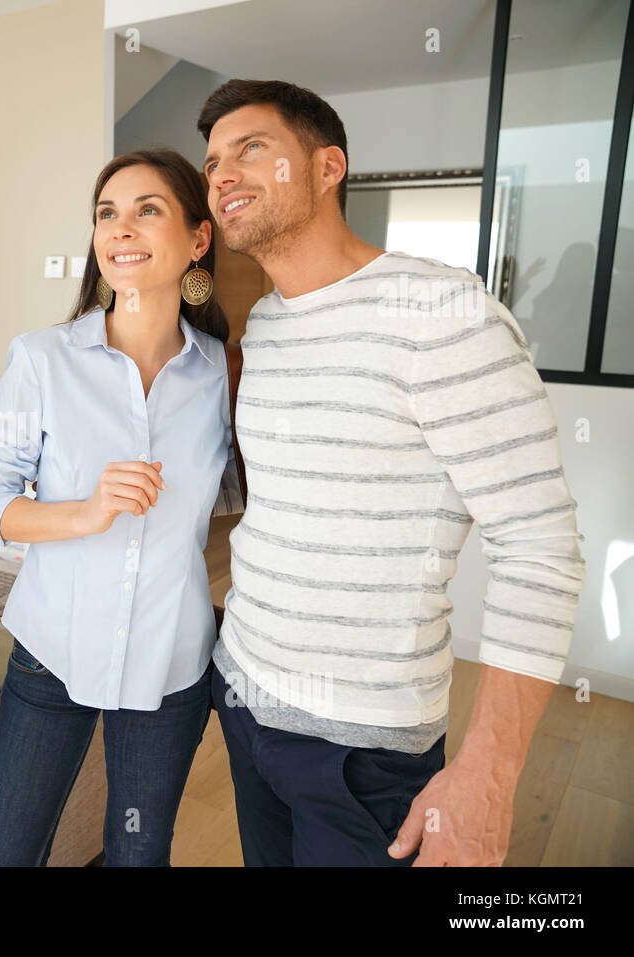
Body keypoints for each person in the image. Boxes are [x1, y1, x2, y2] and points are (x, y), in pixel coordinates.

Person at [195, 80, 585, 866]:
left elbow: (539, 545)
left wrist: (490, 772)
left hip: (363, 748)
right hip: (241, 698)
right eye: (211, 164)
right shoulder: (264, 327)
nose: (222, 176)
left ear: (327, 165)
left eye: (252, 149)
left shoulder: (443, 314)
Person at [0, 148, 239, 866]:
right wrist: (83, 512)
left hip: (172, 661)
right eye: (106, 214)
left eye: (148, 209)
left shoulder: (223, 374)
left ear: (198, 239)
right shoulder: (42, 359)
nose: (121, 229)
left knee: (138, 856)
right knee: (7, 855)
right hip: (50, 651)